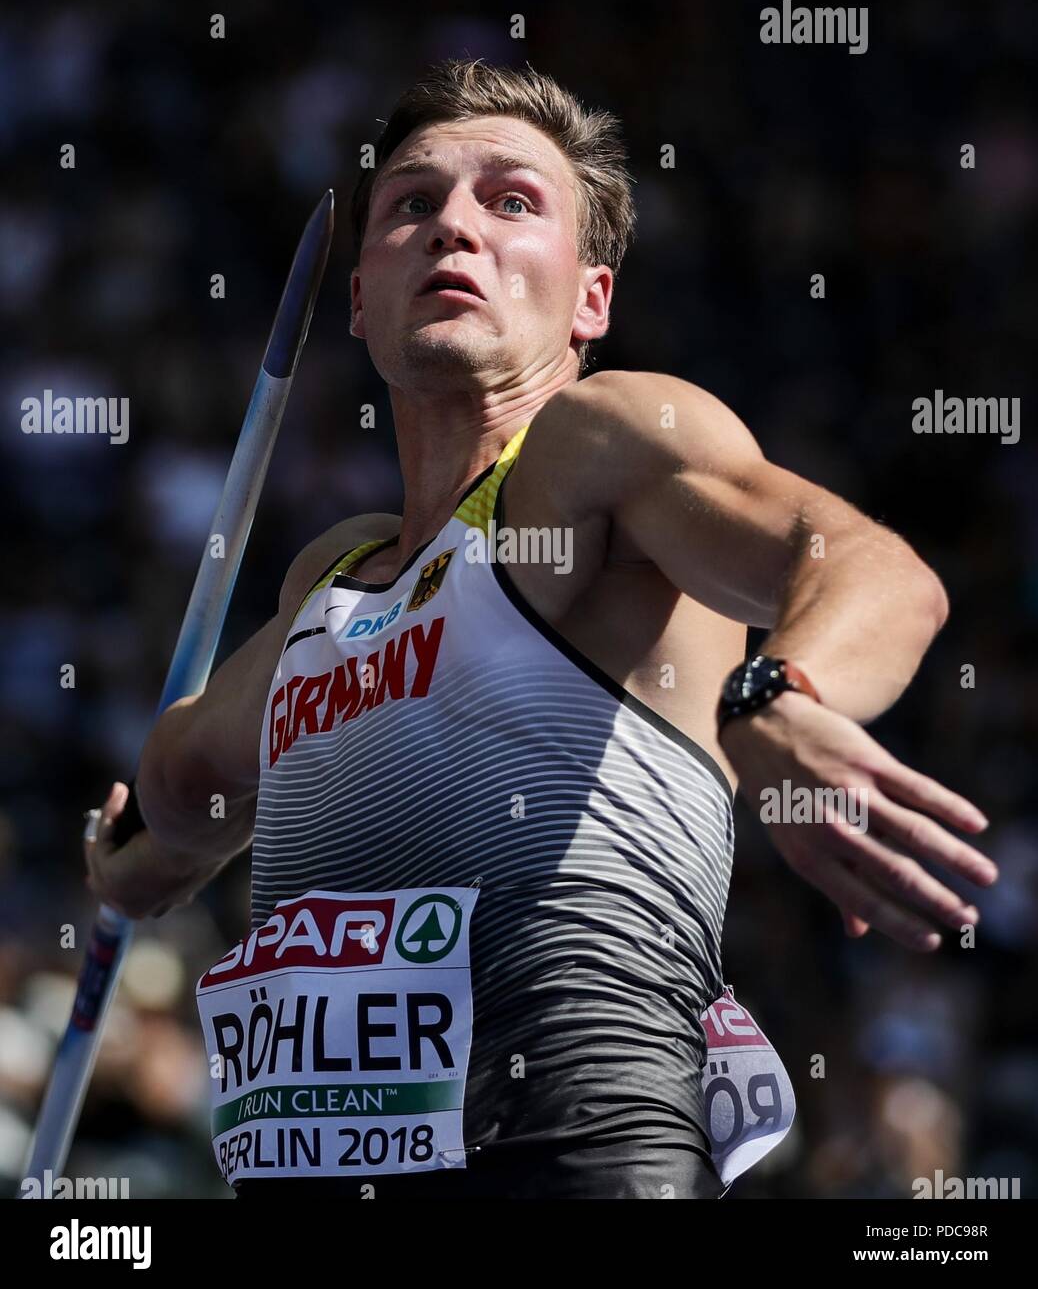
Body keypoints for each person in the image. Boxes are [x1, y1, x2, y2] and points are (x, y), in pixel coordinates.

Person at [85, 58, 997, 1200]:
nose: (454, 225)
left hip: (567, 1160)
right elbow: (183, 792)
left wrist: (782, 695)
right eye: (411, 203)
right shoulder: (335, 579)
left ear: (590, 298)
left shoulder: (590, 454)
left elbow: (872, 566)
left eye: (511, 200)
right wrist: (129, 865)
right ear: (360, 294)